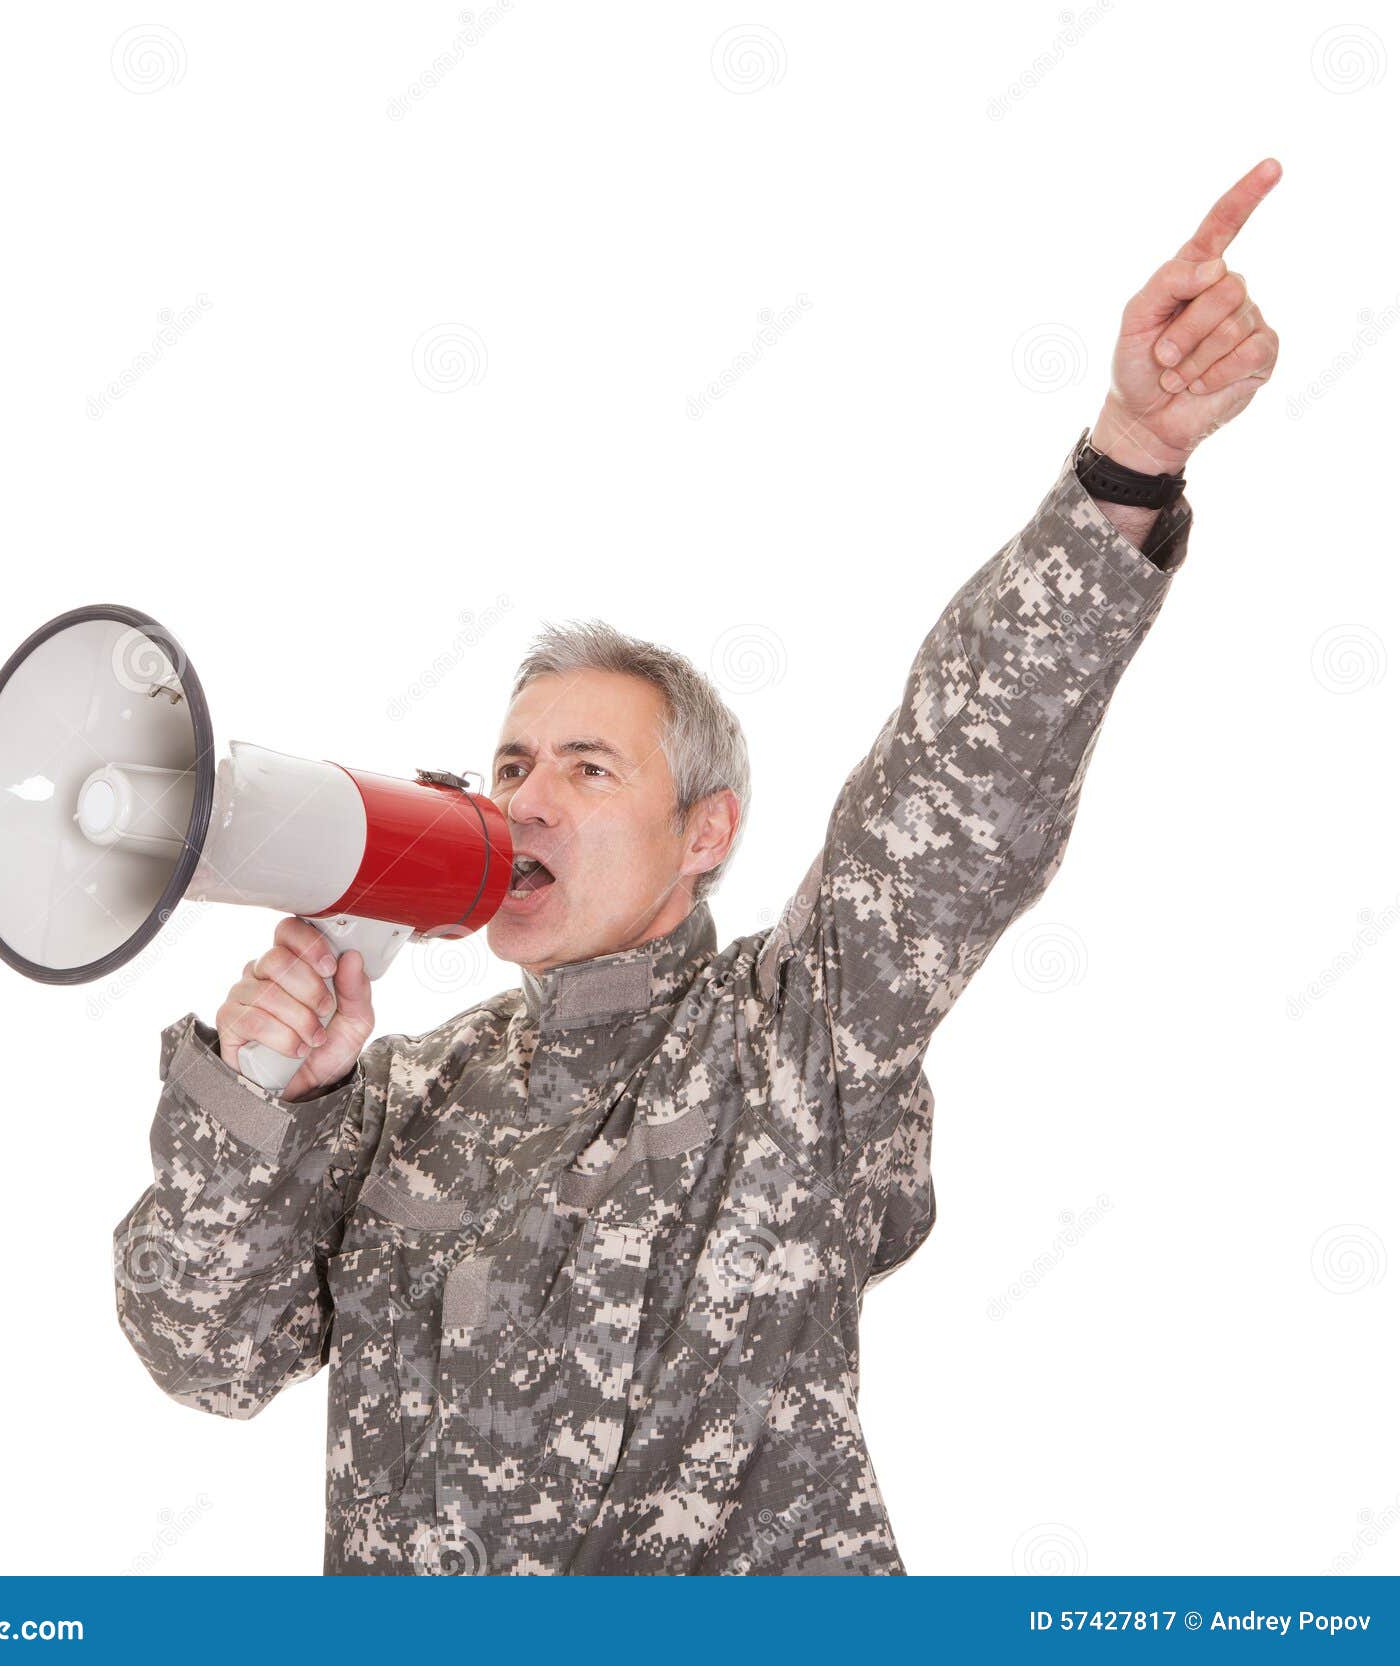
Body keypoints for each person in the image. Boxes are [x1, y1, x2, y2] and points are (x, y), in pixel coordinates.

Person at [114, 159, 1282, 1575]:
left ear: (707, 832)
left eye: (587, 768)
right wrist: (257, 1099)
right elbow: (207, 1356)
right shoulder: (396, 1102)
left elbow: (961, 783)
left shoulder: (795, 1045)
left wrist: (1127, 460)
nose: (525, 800)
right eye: (508, 766)